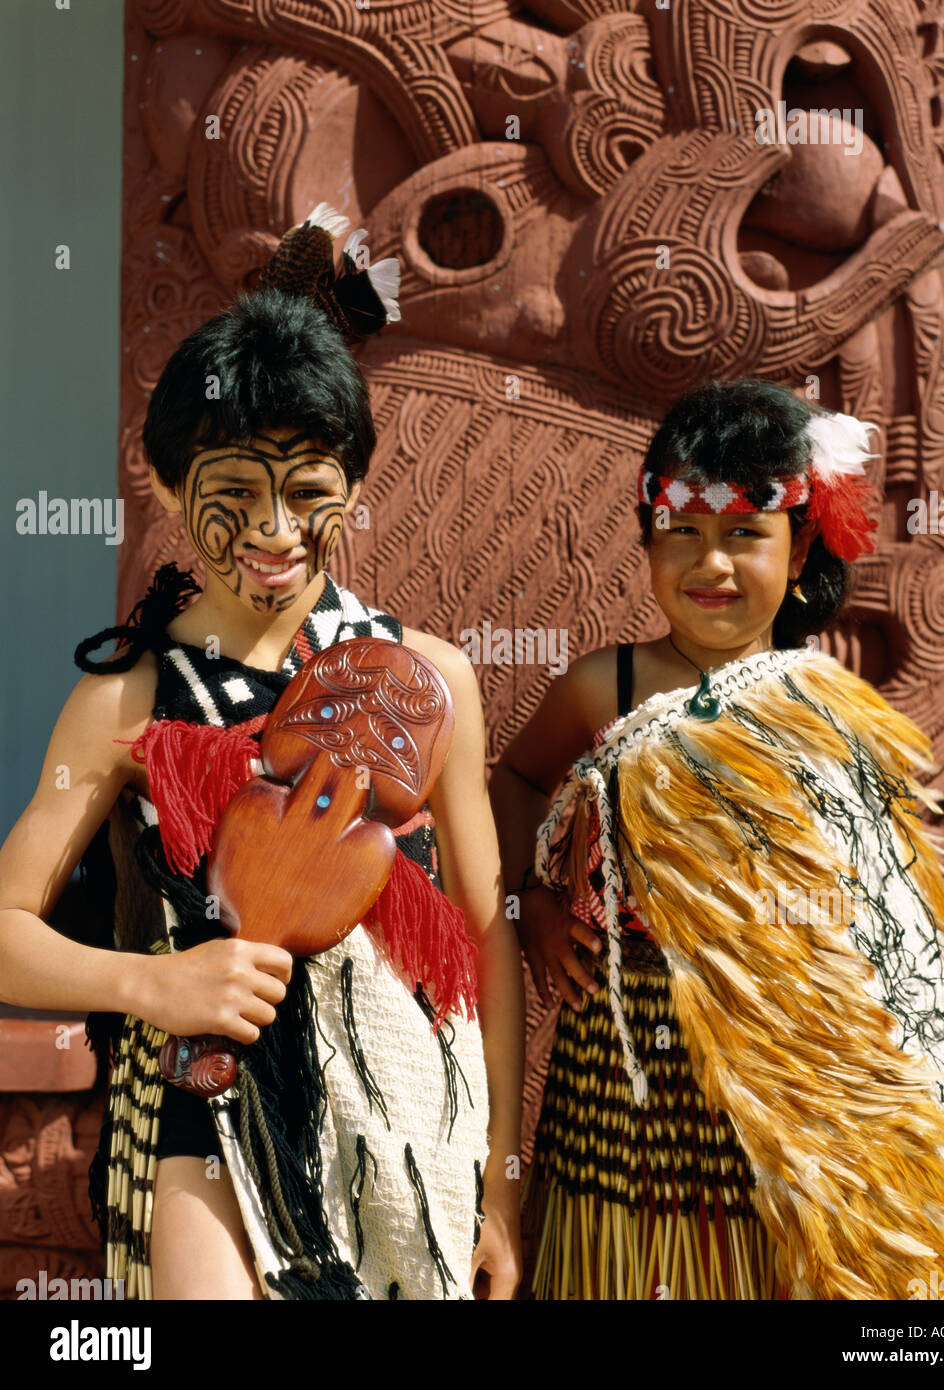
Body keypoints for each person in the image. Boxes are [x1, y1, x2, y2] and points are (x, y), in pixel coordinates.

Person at [0, 220, 524, 1301]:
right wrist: (154, 981)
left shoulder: (428, 682)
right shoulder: (129, 695)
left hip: (408, 1119)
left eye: (307, 488)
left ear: (354, 480)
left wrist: (504, 1188)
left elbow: (481, 927)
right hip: (206, 1105)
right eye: (235, 490)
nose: (275, 528)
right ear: (163, 481)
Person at [491, 377, 944, 1301]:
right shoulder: (604, 686)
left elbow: (888, 921)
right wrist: (530, 902)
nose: (712, 565)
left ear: (800, 542)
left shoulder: (829, 712)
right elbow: (514, 780)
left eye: (745, 534)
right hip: (626, 1075)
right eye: (683, 534)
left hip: (788, 1070)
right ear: (648, 538)